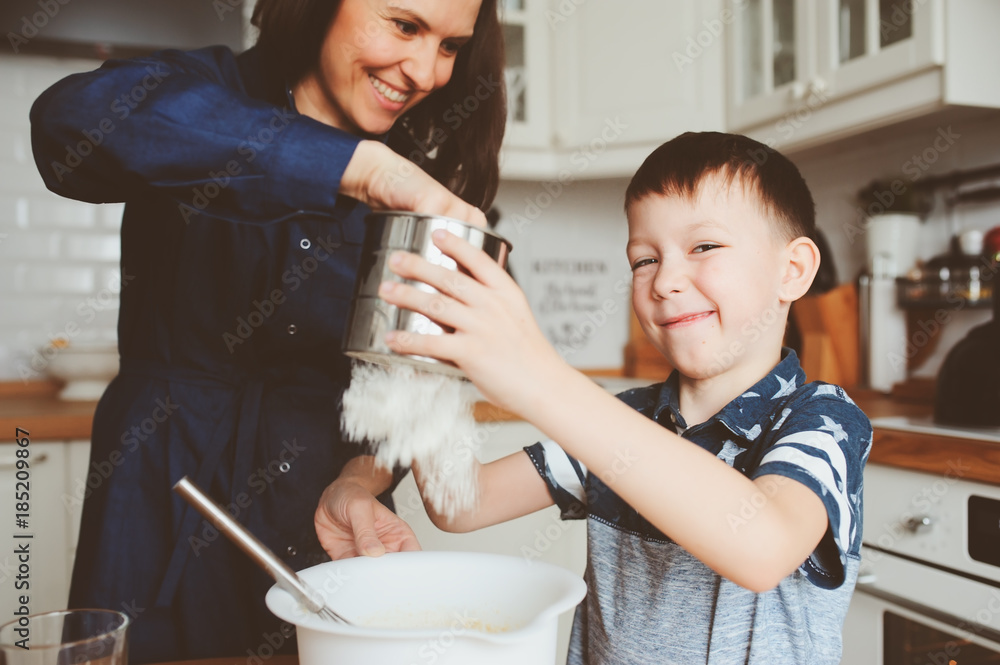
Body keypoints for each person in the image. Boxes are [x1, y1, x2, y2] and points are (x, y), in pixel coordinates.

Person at [28, 0, 505, 660]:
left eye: (452, 47)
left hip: (313, 533)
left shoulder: (432, 182)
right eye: (404, 26)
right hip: (155, 502)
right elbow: (63, 125)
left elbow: (406, 395)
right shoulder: (206, 93)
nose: (426, 71)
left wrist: (359, 482)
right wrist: (361, 167)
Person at [373, 132, 873, 664]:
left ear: (792, 270)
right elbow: (464, 502)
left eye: (704, 246)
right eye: (643, 260)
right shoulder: (623, 419)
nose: (665, 281)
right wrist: (417, 364)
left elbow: (762, 548)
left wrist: (542, 380)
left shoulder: (820, 420)